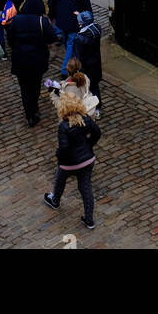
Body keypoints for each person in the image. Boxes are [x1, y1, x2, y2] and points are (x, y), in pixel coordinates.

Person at [43, 89, 101, 226]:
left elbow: (64, 148)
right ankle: (89, 219)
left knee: (60, 179)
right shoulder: (86, 118)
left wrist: (60, 158)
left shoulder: (64, 126)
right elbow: (97, 133)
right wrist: (89, 145)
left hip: (69, 163)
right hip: (87, 160)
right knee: (85, 187)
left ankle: (55, 200)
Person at [6, 0, 58, 126]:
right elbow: (52, 37)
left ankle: (29, 113)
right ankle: (34, 109)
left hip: (20, 60)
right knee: (35, 86)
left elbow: (10, 40)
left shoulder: (16, 20)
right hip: (37, 60)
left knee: (24, 88)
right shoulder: (42, 22)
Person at [49, 0, 92, 71]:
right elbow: (87, 6)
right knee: (70, 44)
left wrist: (52, 16)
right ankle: (65, 69)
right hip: (74, 22)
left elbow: (51, 2)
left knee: (67, 42)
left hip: (61, 21)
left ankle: (70, 62)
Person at [68, 10, 102, 105]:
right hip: (95, 64)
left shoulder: (79, 39)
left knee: (84, 89)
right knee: (95, 87)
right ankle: (97, 107)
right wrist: (81, 15)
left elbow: (77, 56)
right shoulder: (97, 29)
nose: (78, 23)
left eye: (80, 21)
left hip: (85, 68)